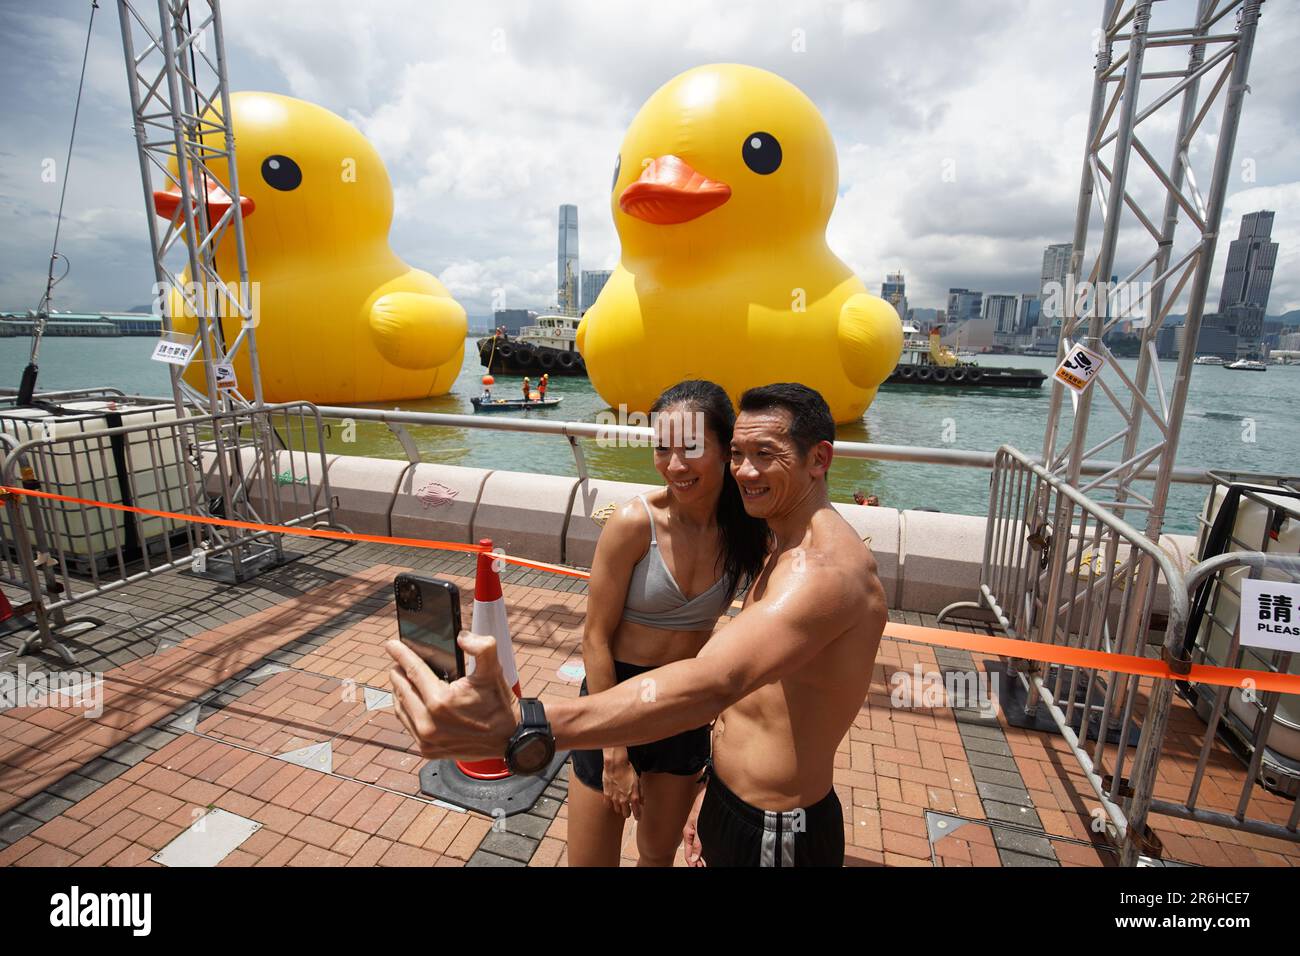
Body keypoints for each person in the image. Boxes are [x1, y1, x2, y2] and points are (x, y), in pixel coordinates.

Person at [386, 382, 889, 867]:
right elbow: (601, 639)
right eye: (741, 454)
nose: (745, 470)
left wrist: (526, 724)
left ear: (818, 459)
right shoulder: (771, 540)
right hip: (660, 727)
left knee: (655, 856)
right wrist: (700, 780)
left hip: (743, 785)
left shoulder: (805, 563)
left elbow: (717, 680)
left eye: (763, 454)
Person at [567, 380, 768, 866]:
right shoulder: (635, 523)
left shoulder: (748, 531)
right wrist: (613, 747)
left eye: (692, 447)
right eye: (663, 448)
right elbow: (594, 636)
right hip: (613, 699)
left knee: (656, 857)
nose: (675, 465)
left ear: (725, 449)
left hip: (683, 708)